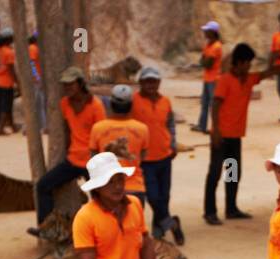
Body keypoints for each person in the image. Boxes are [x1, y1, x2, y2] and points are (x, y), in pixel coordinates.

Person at [205, 42, 280, 225]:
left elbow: (269, 72)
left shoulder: (248, 80)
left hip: (235, 135)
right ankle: (210, 211)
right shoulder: (225, 80)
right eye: (248, 63)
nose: (249, 67)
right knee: (215, 173)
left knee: (233, 173)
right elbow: (215, 104)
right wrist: (216, 131)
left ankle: (231, 208)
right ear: (239, 62)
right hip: (222, 135)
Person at [35, 66, 105, 224]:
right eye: (65, 85)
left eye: (71, 85)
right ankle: (47, 227)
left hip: (92, 162)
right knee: (43, 186)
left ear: (80, 84)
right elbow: (67, 130)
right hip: (73, 160)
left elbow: (102, 135)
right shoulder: (65, 104)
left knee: (101, 200)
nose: (67, 88)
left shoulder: (95, 105)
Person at [131, 66, 182, 243]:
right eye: (147, 81)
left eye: (154, 81)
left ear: (159, 83)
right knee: (152, 196)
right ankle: (171, 223)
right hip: (144, 158)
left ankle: (158, 231)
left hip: (164, 155)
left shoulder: (165, 101)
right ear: (140, 83)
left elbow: (170, 125)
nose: (151, 85)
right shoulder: (133, 100)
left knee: (164, 196)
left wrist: (173, 144)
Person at [90, 85, 150, 207]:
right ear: (131, 105)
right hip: (135, 188)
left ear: (111, 104)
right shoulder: (142, 129)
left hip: (107, 190)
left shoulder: (98, 128)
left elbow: (93, 158)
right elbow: (142, 156)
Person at [191, 21, 223, 133]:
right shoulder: (209, 45)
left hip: (214, 79)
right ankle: (202, 125)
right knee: (205, 103)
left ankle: (215, 127)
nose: (204, 32)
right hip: (208, 78)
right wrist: (204, 60)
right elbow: (203, 61)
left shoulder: (216, 46)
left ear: (212, 32)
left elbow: (206, 63)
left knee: (212, 105)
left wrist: (204, 60)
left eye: (207, 31)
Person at [0, 28, 18, 135]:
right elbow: (11, 70)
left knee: (7, 105)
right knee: (6, 106)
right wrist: (18, 82)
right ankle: (1, 128)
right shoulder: (9, 52)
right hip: (7, 82)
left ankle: (12, 125)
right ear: (8, 39)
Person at [28, 32, 47, 131]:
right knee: (38, 102)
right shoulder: (33, 48)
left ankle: (43, 125)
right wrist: (36, 76)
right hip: (36, 79)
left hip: (38, 78)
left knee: (41, 102)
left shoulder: (36, 48)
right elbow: (32, 63)